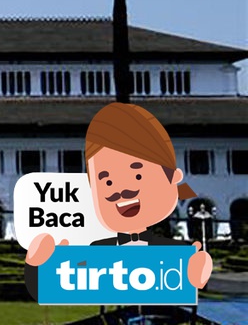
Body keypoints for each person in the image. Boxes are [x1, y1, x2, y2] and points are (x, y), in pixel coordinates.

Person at [24, 103, 213, 300]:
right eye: (107, 180)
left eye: (137, 175)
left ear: (173, 177)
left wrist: (197, 273)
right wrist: (39, 267)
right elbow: (58, 281)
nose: (122, 190)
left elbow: (194, 281)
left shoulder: (177, 253)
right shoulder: (98, 250)